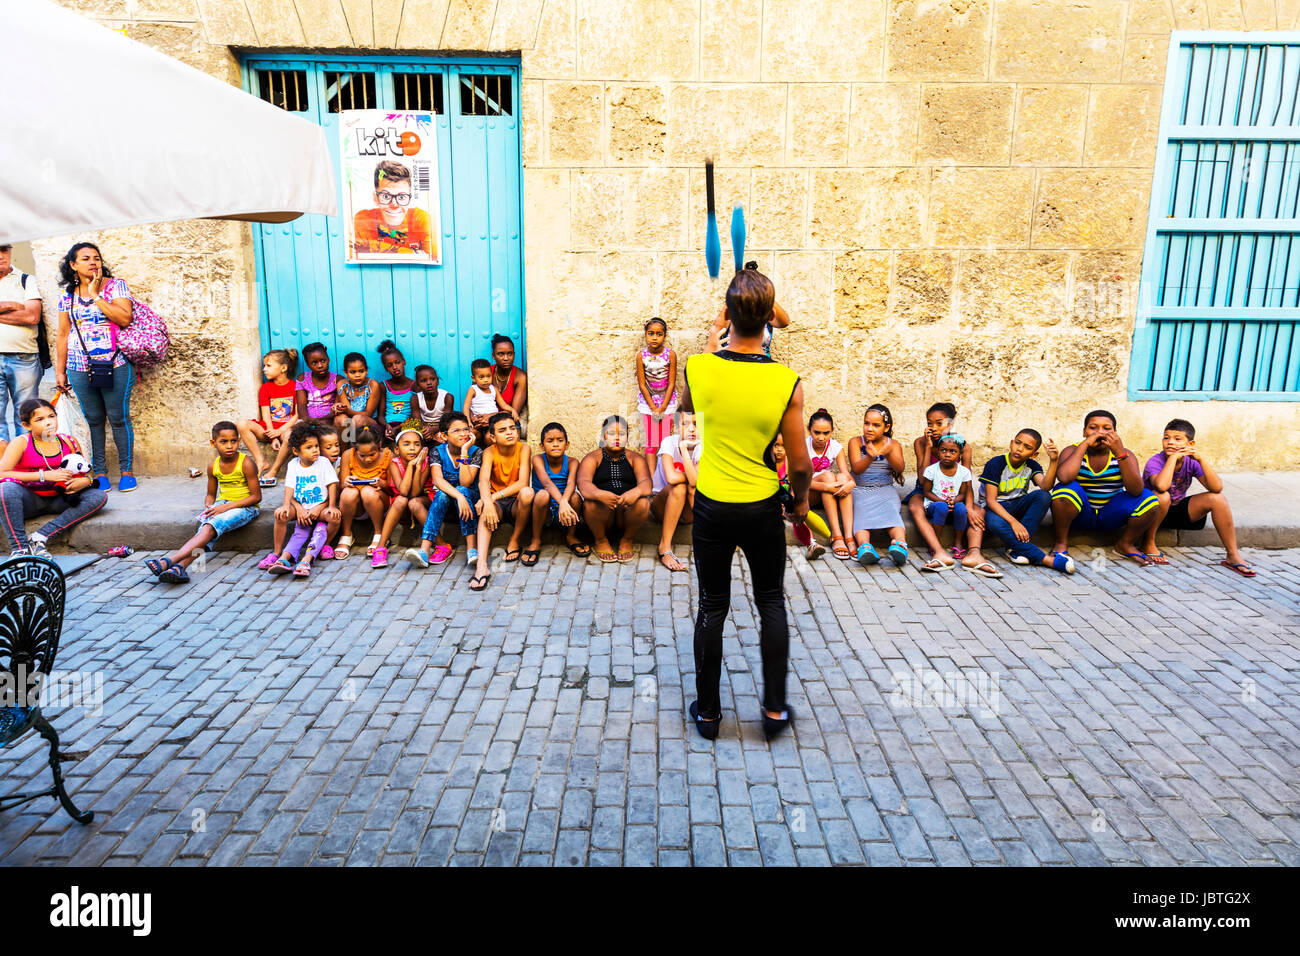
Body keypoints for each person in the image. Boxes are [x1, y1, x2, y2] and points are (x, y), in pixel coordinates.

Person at [683, 269, 810, 742]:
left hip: (714, 503)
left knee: (712, 605)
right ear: (770, 322)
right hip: (761, 506)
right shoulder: (787, 382)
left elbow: (687, 415)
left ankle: (710, 714)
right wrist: (800, 504)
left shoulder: (698, 368)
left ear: (727, 314)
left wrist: (717, 331)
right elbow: (799, 464)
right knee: (771, 601)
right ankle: (775, 711)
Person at [54, 242, 138, 492]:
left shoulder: (116, 286)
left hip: (115, 363)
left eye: (97, 258)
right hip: (79, 367)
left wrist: (96, 295)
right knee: (93, 420)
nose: (93, 262)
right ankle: (99, 471)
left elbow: (124, 318)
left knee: (119, 417)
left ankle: (126, 471)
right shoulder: (66, 295)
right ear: (73, 265)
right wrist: (60, 370)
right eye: (86, 258)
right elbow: (62, 334)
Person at [147, 421, 261, 583]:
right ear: (213, 443)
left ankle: (170, 561)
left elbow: (256, 497)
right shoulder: (213, 467)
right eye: (223, 442)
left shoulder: (246, 463)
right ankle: (180, 568)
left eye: (233, 441)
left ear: (239, 441)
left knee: (208, 528)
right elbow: (210, 495)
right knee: (205, 530)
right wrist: (209, 506)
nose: (229, 446)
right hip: (223, 504)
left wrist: (224, 507)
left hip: (247, 507)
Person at [1142, 418, 1252, 576]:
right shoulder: (1155, 462)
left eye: (1177, 439)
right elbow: (1161, 486)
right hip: (1151, 514)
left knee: (1217, 498)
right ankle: (1148, 542)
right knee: (1162, 496)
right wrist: (1172, 459)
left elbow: (1216, 487)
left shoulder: (1190, 462)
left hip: (1176, 511)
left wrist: (1200, 459)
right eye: (1166, 438)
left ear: (1190, 444)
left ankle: (1232, 554)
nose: (1170, 442)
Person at [1049, 409, 1160, 564]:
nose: (1100, 432)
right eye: (1093, 428)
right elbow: (1064, 477)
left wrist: (1120, 453)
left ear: (1115, 433)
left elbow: (1136, 490)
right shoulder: (1072, 450)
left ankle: (1125, 544)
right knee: (1064, 490)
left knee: (1149, 499)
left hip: (1110, 515)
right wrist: (1085, 444)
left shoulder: (1125, 454)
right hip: (1081, 514)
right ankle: (1060, 543)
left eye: (1107, 428)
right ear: (1084, 432)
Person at [0, 398, 107, 558]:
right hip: (29, 500)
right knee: (5, 489)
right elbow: (2, 473)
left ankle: (39, 537)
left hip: (60, 498)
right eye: (40, 419)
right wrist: (43, 475)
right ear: (26, 425)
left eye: (51, 416)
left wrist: (85, 481)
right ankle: (20, 548)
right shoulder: (21, 443)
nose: (48, 422)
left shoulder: (68, 441)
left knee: (99, 496)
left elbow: (85, 472)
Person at [980, 429, 1073, 574]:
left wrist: (1054, 460)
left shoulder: (1032, 465)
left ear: (1034, 454)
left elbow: (1045, 486)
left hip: (1017, 504)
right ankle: (1047, 560)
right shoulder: (996, 464)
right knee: (995, 523)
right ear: (1012, 443)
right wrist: (1013, 522)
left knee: (1043, 496)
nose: (1020, 449)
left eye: (1027, 447)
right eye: (1017, 443)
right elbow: (991, 501)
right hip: (994, 508)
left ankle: (1014, 548)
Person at [405, 411, 483, 569]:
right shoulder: (437, 452)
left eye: (466, 429)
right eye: (457, 431)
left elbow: (465, 482)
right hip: (448, 503)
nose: (463, 434)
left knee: (462, 489)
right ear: (444, 436)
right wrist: (458, 496)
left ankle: (472, 549)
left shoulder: (475, 451)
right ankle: (424, 551)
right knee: (442, 494)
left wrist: (464, 452)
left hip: (470, 503)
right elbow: (438, 480)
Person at [915, 433, 999, 575]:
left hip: (954, 503)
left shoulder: (964, 472)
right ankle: (936, 543)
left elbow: (963, 493)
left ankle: (958, 542)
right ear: (939, 452)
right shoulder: (931, 470)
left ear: (959, 454)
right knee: (941, 508)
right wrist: (942, 501)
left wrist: (955, 501)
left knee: (961, 508)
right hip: (934, 504)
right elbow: (927, 491)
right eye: (943, 451)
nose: (947, 454)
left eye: (952, 451)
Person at [266, 422, 339, 578]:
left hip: (319, 508)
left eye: (316, 446)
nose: (315, 450)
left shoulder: (323, 463)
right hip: (299, 507)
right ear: (295, 451)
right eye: (309, 447)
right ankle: (278, 554)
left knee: (334, 516)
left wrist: (330, 506)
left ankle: (320, 549)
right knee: (281, 514)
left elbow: (332, 485)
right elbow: (290, 488)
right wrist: (289, 506)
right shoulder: (293, 465)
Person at [576, 415, 652, 565]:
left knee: (643, 502)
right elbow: (583, 483)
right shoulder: (592, 458)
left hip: (626, 513)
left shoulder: (635, 458)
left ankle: (627, 539)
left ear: (627, 438)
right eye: (611, 433)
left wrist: (635, 493)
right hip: (603, 515)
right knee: (590, 503)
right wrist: (599, 494)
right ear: (603, 436)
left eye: (621, 434)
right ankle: (600, 540)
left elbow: (646, 483)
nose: (616, 438)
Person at [471, 412, 534, 589]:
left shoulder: (524, 449)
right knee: (484, 509)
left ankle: (514, 540)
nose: (510, 433)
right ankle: (481, 566)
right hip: (497, 505)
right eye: (503, 430)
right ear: (492, 436)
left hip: (516, 503)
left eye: (512, 428)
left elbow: (522, 482)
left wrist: (491, 498)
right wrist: (488, 502)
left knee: (528, 492)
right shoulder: (489, 452)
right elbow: (483, 480)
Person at [905, 402, 974, 558]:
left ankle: (967, 548)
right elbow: (922, 481)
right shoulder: (921, 442)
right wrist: (928, 448)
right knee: (915, 508)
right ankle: (935, 546)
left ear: (950, 424)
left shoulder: (963, 446)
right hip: (926, 490)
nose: (933, 428)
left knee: (977, 511)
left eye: (939, 423)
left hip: (954, 491)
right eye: (930, 423)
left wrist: (968, 506)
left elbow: (967, 482)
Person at [848, 403, 908, 568]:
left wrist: (888, 453)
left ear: (886, 427)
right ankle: (865, 547)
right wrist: (869, 457)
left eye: (876, 425)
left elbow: (900, 468)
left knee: (892, 512)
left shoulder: (893, 445)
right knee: (860, 512)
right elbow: (857, 469)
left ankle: (900, 545)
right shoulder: (855, 442)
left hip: (885, 489)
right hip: (860, 489)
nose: (869, 428)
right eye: (866, 423)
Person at [0, 243, 45, 442]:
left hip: (24, 357)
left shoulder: (26, 280)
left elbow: (32, 316)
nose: (0, 256)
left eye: (3, 250)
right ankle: (3, 467)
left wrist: (20, 310)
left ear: (10, 251)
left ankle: (25, 465)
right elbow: (24, 313)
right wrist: (12, 305)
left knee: (26, 415)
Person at [238, 348, 300, 487]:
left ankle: (274, 470)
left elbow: (297, 415)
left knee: (290, 436)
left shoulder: (295, 387)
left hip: (285, 429)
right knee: (241, 424)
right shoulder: (265, 388)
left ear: (283, 368)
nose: (264, 369)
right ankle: (261, 461)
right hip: (268, 429)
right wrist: (272, 436)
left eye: (269, 365)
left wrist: (279, 432)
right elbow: (266, 414)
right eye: (264, 365)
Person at [528, 421, 588, 558]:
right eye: (550, 441)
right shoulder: (538, 459)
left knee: (576, 497)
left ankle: (571, 536)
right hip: (544, 510)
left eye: (560, 440)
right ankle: (536, 539)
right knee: (543, 494)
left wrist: (564, 503)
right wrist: (562, 502)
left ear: (567, 445)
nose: (555, 444)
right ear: (542, 446)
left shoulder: (573, 462)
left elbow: (571, 484)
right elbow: (547, 483)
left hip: (565, 511)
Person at [650, 410, 701, 572]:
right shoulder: (668, 442)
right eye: (685, 424)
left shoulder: (702, 446)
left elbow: (694, 483)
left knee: (689, 488)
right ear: (676, 427)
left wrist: (685, 451)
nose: (692, 429)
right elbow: (672, 478)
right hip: (661, 506)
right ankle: (664, 547)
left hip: (687, 511)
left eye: (696, 424)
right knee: (679, 487)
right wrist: (691, 475)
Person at [372, 428, 430, 569]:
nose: (412, 448)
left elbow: (415, 492)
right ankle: (380, 547)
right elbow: (403, 491)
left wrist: (418, 465)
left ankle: (438, 543)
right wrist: (411, 466)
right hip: (403, 506)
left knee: (412, 501)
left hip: (423, 501)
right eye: (407, 444)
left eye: (417, 444)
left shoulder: (426, 462)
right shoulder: (395, 463)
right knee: (401, 499)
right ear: (397, 450)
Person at [351, 160, 434, 258]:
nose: (394, 205)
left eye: (402, 197)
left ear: (410, 198)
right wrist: (414, 254)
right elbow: (357, 252)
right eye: (386, 196)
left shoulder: (421, 219)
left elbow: (433, 257)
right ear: (375, 198)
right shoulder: (363, 219)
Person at [333, 425, 392, 560]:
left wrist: (382, 484)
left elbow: (393, 489)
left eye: (372, 454)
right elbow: (342, 486)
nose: (368, 459)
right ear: (355, 449)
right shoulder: (348, 455)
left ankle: (379, 534)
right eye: (362, 455)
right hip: (356, 507)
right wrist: (347, 481)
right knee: (348, 493)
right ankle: (346, 534)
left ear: (380, 445)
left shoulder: (388, 455)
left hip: (379, 502)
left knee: (367, 491)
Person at [806, 408, 854, 559]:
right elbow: (797, 482)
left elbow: (846, 474)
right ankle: (836, 536)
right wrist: (826, 486)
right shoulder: (802, 446)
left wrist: (850, 484)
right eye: (817, 432)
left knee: (841, 478)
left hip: (828, 493)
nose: (821, 437)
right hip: (809, 494)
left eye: (826, 433)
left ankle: (849, 537)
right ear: (809, 431)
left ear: (832, 431)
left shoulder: (836, 447)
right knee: (828, 476)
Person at [773, 433, 825, 561]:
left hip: (787, 503)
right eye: (776, 445)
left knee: (798, 517)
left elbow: (795, 487)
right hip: (770, 504)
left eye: (783, 446)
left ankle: (811, 544)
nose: (779, 449)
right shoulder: (767, 464)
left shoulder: (789, 464)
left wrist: (793, 503)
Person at [635, 318, 678, 457]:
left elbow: (671, 382)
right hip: (649, 402)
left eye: (659, 334)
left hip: (667, 401)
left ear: (664, 335)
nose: (654, 338)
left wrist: (663, 407)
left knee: (665, 442)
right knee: (652, 443)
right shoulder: (641, 356)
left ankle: (663, 476)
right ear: (645, 334)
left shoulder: (670, 355)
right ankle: (651, 477)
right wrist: (653, 408)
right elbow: (642, 384)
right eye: (651, 333)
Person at [706, 295, 791, 354]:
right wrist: (735, 295)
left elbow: (784, 322)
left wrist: (765, 294)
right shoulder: (734, 308)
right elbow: (717, 328)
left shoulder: (764, 310)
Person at [332, 352, 381, 440]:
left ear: (366, 371)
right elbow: (345, 408)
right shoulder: (342, 385)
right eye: (353, 372)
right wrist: (338, 407)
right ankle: (344, 451)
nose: (357, 375)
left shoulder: (373, 385)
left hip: (368, 421)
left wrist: (347, 411)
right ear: (346, 373)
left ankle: (355, 448)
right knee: (340, 419)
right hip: (350, 420)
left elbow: (368, 414)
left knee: (357, 419)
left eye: (361, 371)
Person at [375, 340, 415, 441]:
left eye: (397, 362)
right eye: (390, 365)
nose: (395, 367)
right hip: (387, 424)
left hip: (406, 424)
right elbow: (380, 416)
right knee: (372, 433)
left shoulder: (414, 385)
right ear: (385, 368)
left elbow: (415, 414)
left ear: (404, 362)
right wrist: (387, 425)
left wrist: (398, 428)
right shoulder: (383, 386)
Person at [294, 342, 341, 426]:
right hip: (308, 421)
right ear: (308, 364)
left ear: (328, 359)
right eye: (314, 363)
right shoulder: (302, 379)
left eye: (323, 361)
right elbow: (301, 406)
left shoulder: (338, 380)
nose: (320, 365)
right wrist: (308, 423)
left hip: (329, 420)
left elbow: (337, 409)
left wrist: (322, 421)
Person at [490, 334, 528, 435]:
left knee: (490, 437)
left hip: (507, 422)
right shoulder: (485, 373)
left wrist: (489, 416)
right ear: (493, 356)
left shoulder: (520, 377)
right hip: (483, 420)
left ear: (514, 354)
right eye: (501, 354)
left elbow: (513, 412)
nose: (506, 358)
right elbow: (473, 401)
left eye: (509, 354)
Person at [465, 358, 508, 444]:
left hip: (493, 421)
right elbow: (466, 406)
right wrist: (468, 421)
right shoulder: (473, 389)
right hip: (477, 422)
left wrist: (512, 410)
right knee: (471, 435)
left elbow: (503, 405)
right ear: (474, 378)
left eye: (488, 376)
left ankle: (489, 453)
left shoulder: (494, 389)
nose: (485, 380)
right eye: (481, 377)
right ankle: (476, 454)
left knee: (489, 437)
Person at [413, 364, 453, 444]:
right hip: (424, 427)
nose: (429, 383)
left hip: (441, 427)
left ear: (437, 381)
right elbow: (417, 421)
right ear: (417, 384)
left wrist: (434, 430)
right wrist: (425, 431)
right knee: (414, 438)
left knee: (442, 440)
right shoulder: (415, 399)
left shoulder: (447, 397)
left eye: (432, 379)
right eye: (424, 381)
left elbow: (446, 421)